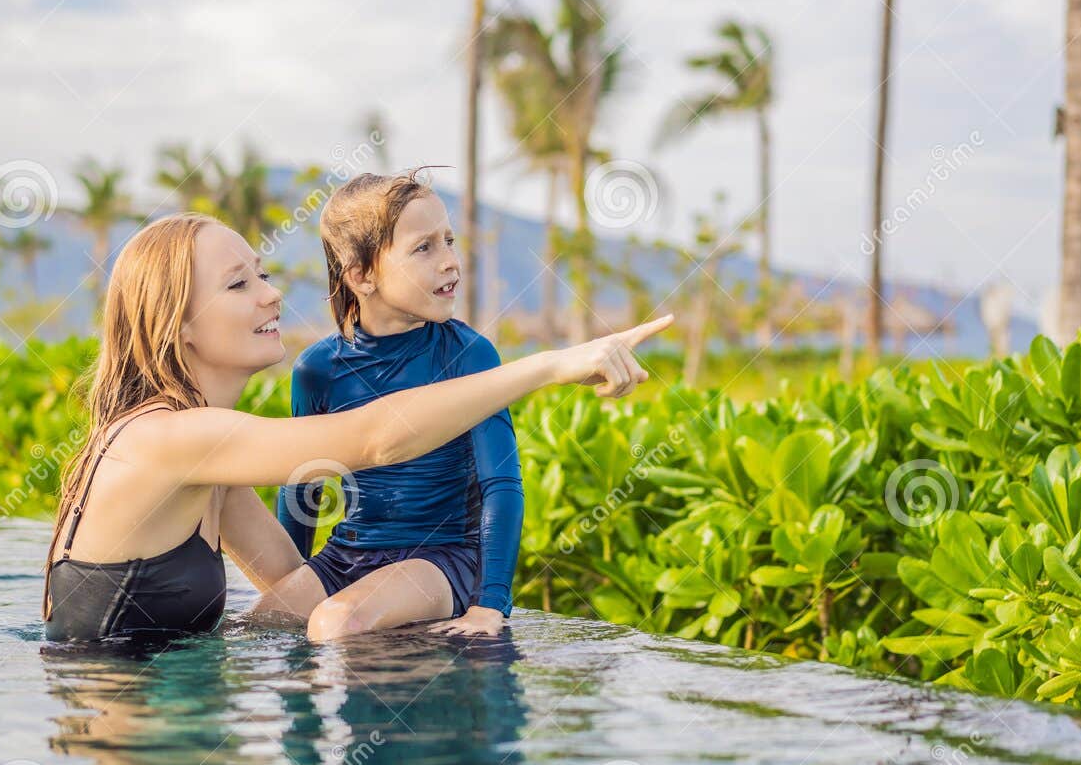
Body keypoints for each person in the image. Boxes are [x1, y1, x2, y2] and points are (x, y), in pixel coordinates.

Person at [41, 211, 670, 644]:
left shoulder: (208, 466)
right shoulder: (168, 439)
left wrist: (418, 580)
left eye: (263, 274)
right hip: (133, 755)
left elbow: (291, 588)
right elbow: (374, 439)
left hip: (163, 738)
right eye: (238, 284)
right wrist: (551, 366)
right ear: (177, 324)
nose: (270, 295)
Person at [271, 172, 521, 639]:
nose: (450, 262)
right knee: (263, 622)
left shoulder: (469, 356)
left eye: (448, 241)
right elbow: (303, 488)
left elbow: (501, 486)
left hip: (444, 557)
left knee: (337, 620)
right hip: (349, 554)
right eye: (424, 248)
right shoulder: (317, 370)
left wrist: (490, 604)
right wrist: (292, 581)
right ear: (361, 275)